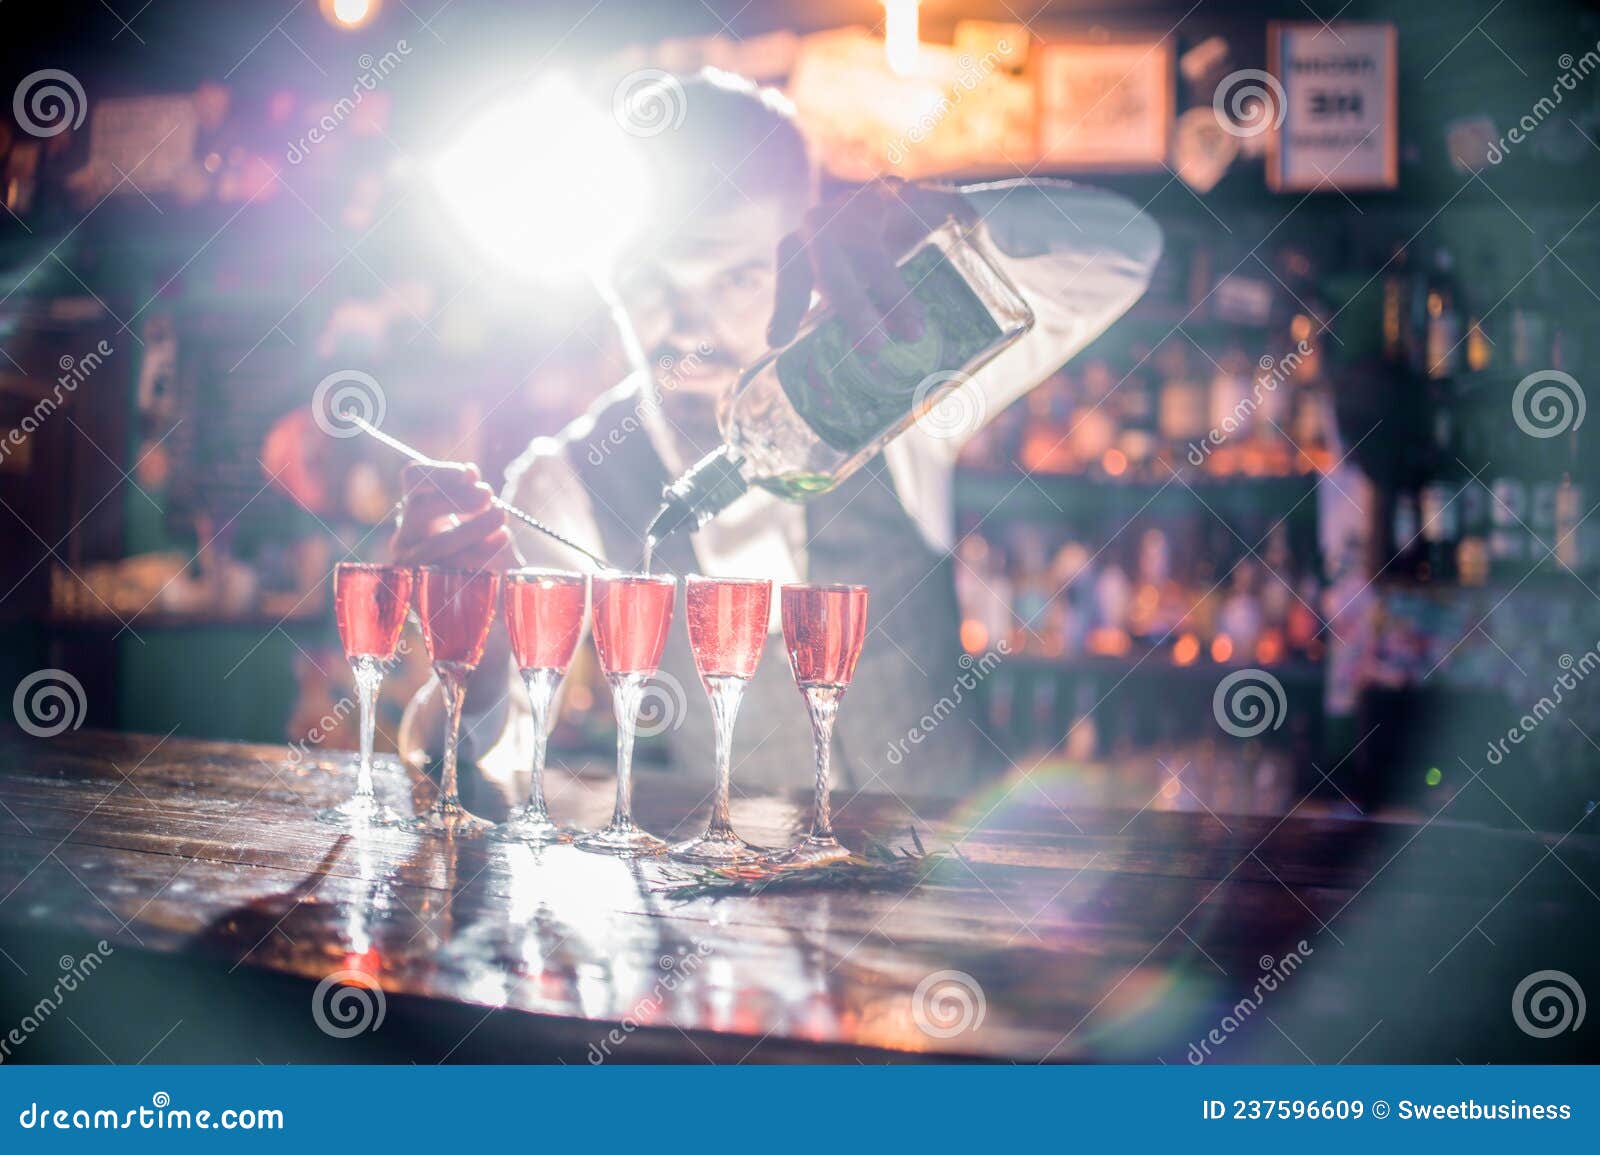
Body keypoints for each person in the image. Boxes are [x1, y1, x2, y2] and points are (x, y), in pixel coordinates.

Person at [392, 69, 1161, 807]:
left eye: (735, 277)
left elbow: (1126, 252)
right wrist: (478, 664)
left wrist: (941, 216)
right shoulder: (566, 482)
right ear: (604, 276)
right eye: (651, 280)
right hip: (734, 924)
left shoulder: (887, 393)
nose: (688, 325)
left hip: (946, 909)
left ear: (805, 253)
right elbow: (486, 754)